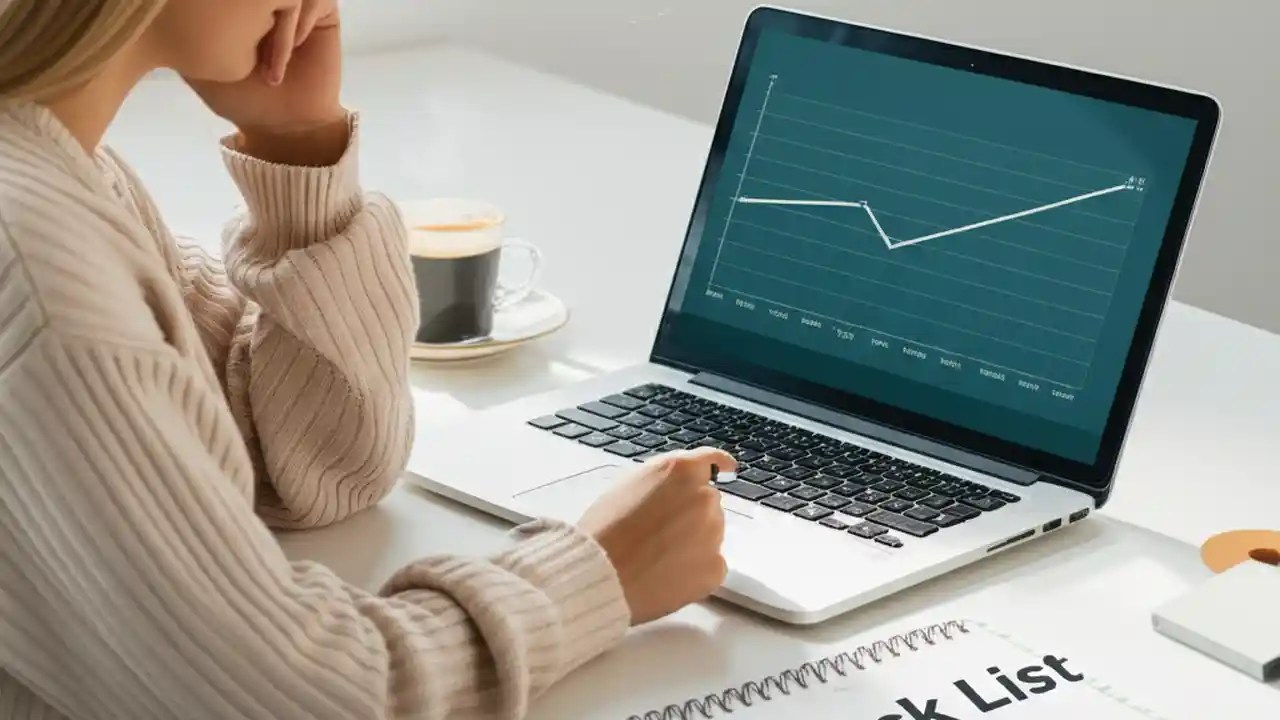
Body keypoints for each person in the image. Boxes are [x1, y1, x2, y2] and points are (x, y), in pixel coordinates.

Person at [0, 1, 737, 718]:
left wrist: (295, 140)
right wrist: (593, 577)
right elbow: (298, 699)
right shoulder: (46, 270)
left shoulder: (66, 173)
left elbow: (312, 469)